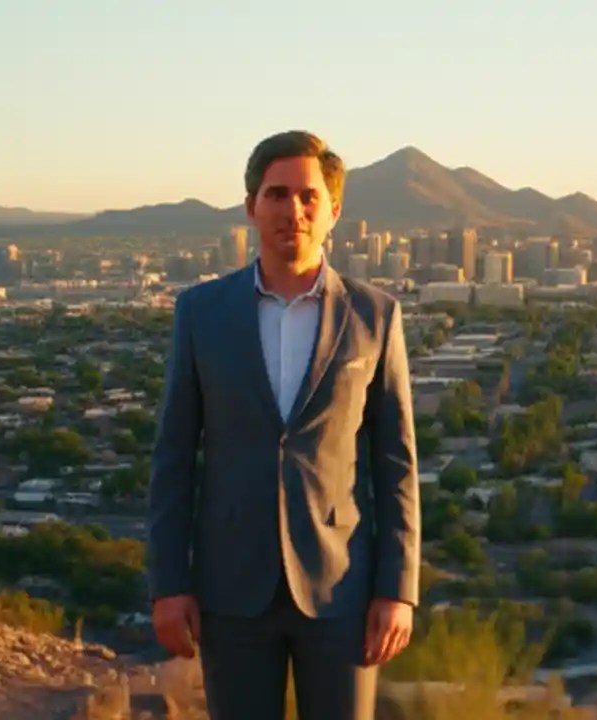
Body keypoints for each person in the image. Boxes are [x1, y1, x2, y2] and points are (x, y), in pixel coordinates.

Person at [146, 130, 421, 720]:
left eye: (307, 197)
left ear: (333, 212)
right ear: (251, 208)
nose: (291, 211)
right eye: (275, 195)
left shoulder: (375, 314)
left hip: (341, 589)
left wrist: (398, 589)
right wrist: (168, 583)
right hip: (230, 588)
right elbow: (173, 455)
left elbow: (395, 464)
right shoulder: (201, 313)